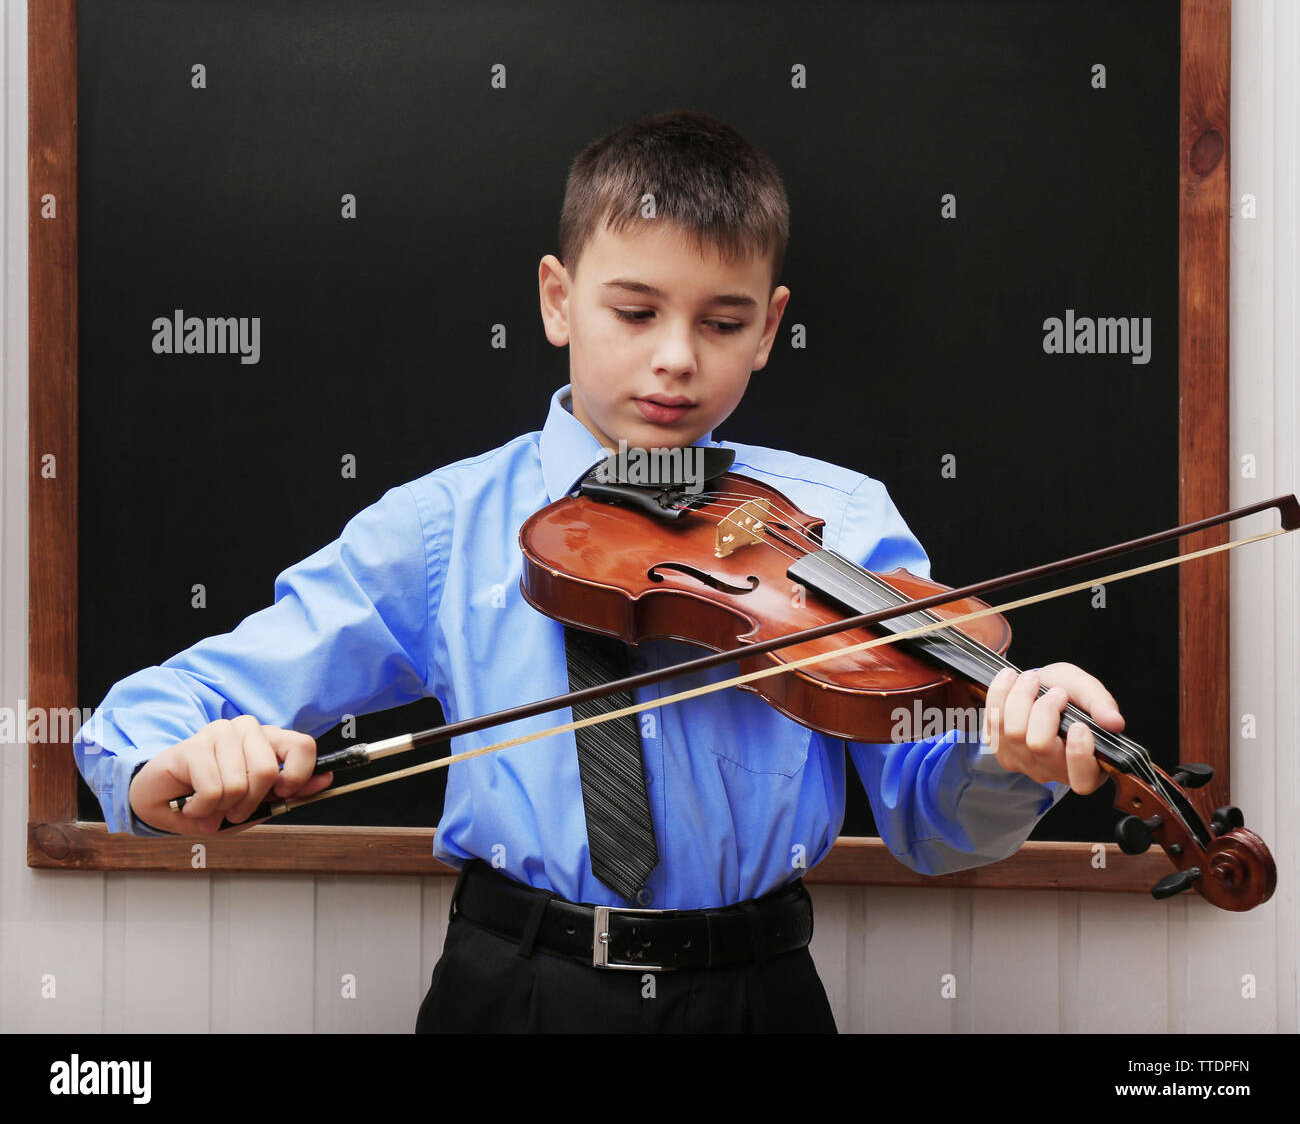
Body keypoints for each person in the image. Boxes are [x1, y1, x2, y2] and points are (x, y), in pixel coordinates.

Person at [74, 109, 1124, 1033]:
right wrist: (187, 764)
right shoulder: (446, 526)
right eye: (635, 312)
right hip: (514, 988)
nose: (676, 357)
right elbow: (145, 721)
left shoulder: (836, 523)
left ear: (769, 327)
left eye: (722, 321)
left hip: (758, 990)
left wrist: (1008, 755)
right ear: (556, 299)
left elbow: (929, 819)